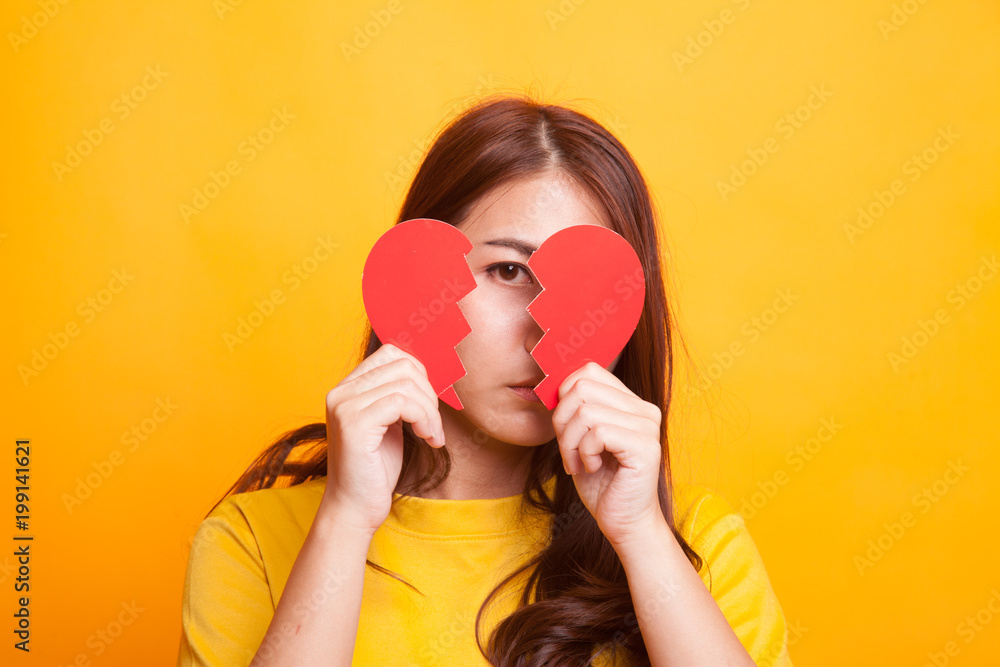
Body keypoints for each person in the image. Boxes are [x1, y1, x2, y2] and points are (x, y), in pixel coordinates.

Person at [176, 94, 794, 667]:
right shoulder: (252, 541)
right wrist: (345, 519)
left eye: (585, 288)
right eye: (506, 270)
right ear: (419, 277)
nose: (540, 331)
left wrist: (639, 538)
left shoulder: (694, 544)